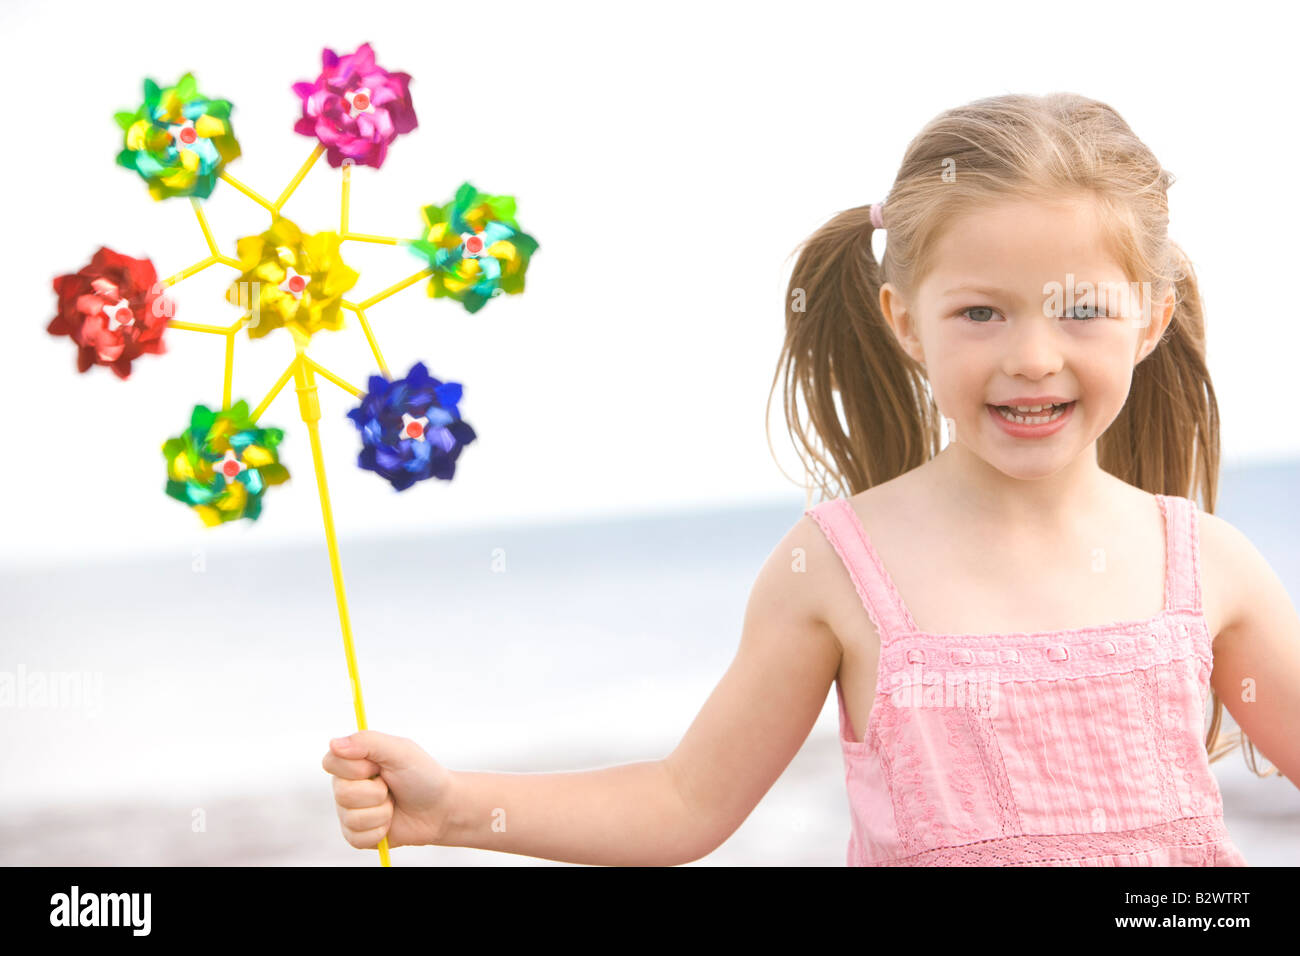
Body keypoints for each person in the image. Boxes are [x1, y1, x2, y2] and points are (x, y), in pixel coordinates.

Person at [323, 92, 1298, 866]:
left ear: (1150, 319)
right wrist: (452, 807)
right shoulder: (837, 565)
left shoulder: (1205, 562)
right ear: (906, 322)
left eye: (1078, 309)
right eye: (980, 314)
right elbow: (683, 802)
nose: (1033, 356)